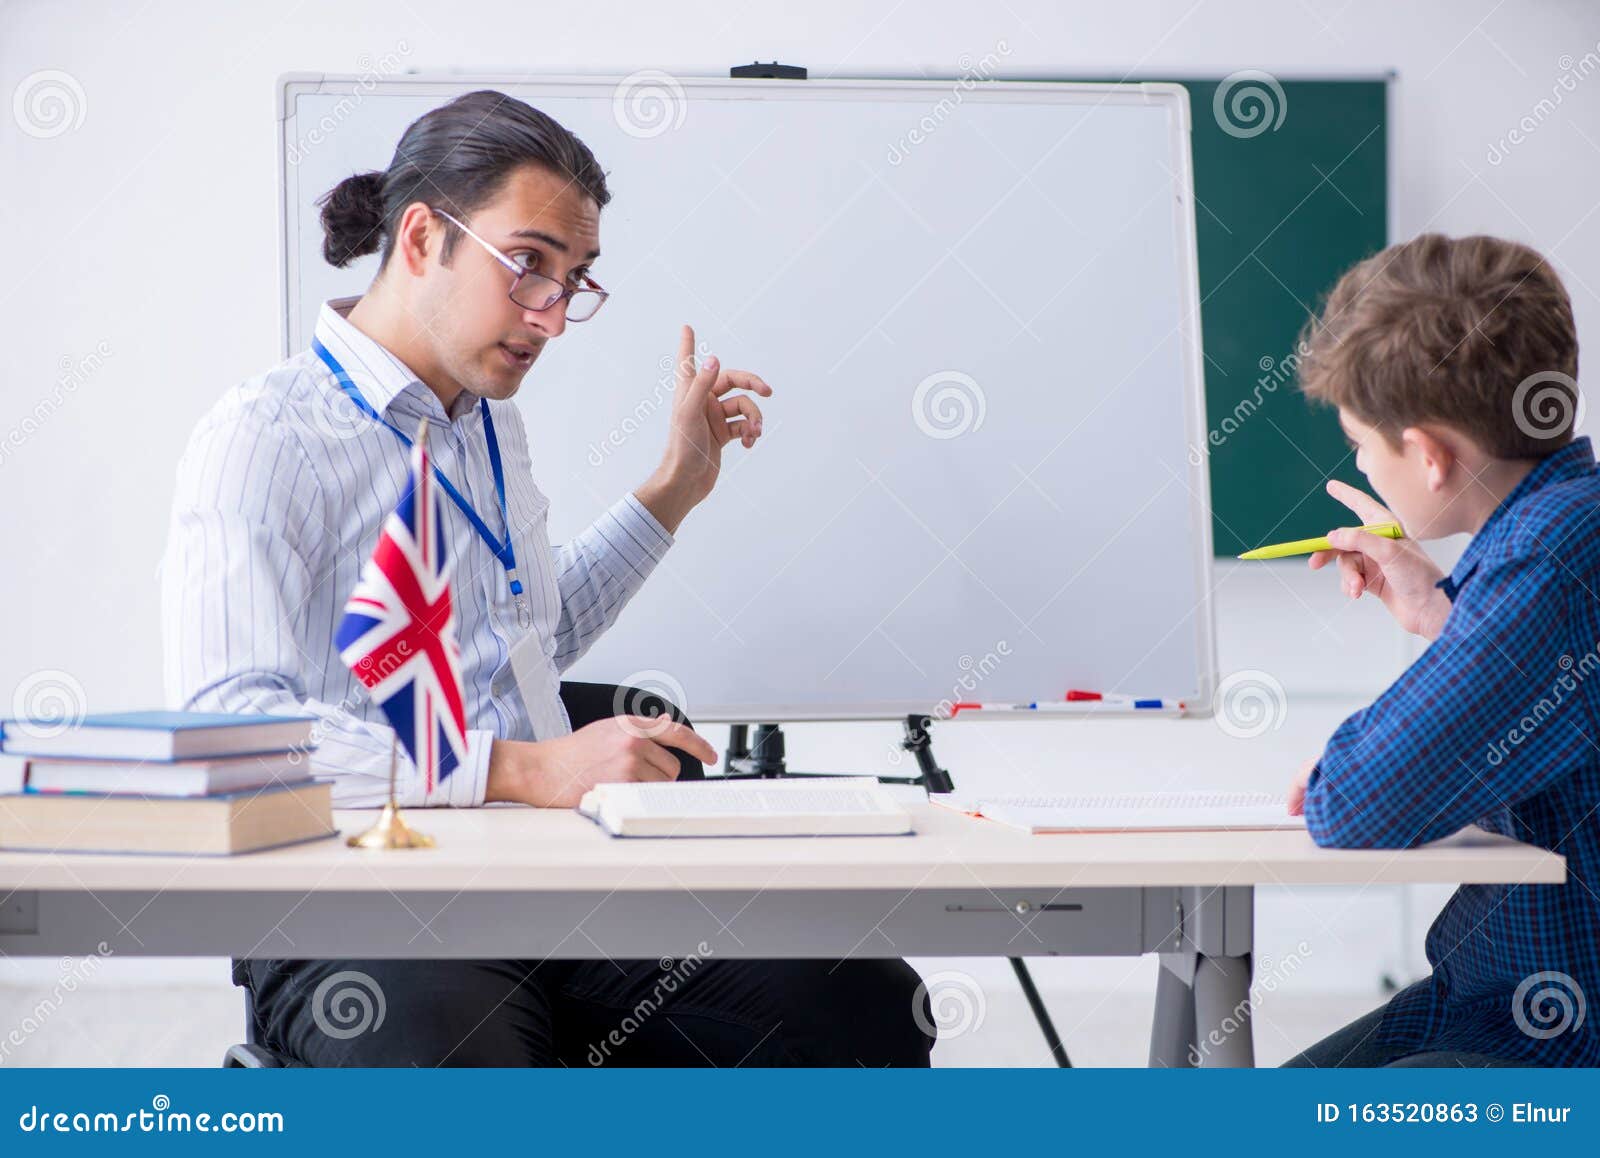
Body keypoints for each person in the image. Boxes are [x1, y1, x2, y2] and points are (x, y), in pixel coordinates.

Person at [162, 89, 932, 1067]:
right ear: (420, 237)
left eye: (575, 282)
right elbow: (231, 728)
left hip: (549, 876)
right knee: (462, 1057)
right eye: (528, 267)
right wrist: (525, 771)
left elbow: (529, 639)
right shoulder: (263, 436)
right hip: (362, 895)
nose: (553, 317)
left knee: (857, 1004)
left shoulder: (489, 422)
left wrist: (672, 491)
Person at [1282, 233, 1597, 1067]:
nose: (1360, 461)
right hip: (1494, 998)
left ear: (1426, 454)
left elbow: (1354, 803)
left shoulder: (1545, 561)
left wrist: (1330, 773)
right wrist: (1444, 615)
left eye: (1360, 441)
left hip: (1554, 1036)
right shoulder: (1559, 527)